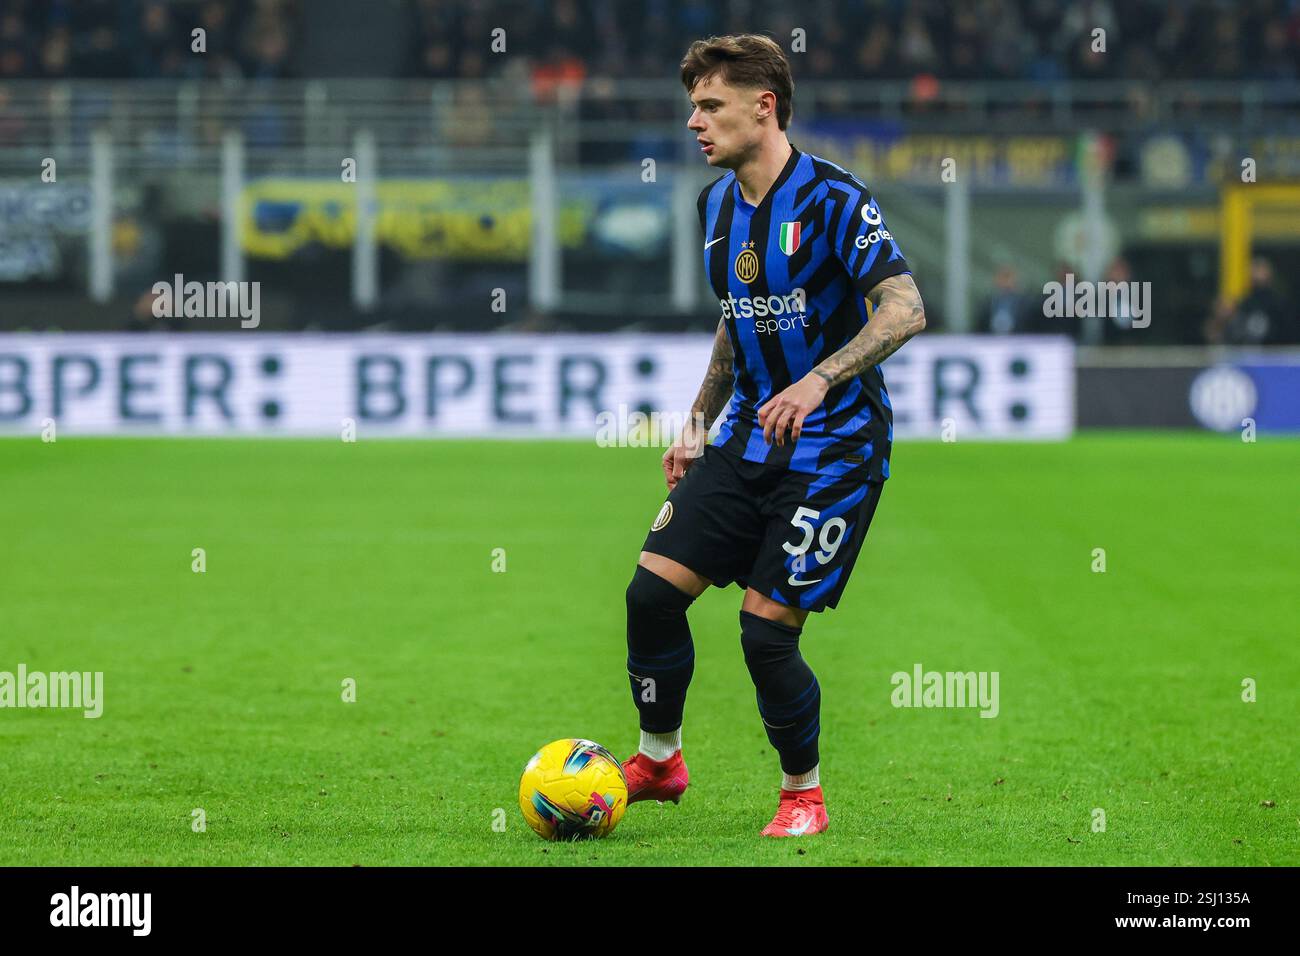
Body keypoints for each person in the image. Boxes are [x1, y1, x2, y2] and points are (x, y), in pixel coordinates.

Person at [621, 34, 926, 837]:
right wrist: (697, 421)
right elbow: (738, 318)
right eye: (693, 106)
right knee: (651, 596)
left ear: (765, 108)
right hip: (746, 441)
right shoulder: (715, 207)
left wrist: (819, 377)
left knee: (764, 633)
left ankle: (803, 796)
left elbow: (904, 308)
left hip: (835, 451)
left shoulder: (833, 198)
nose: (694, 122)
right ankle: (659, 758)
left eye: (709, 106)